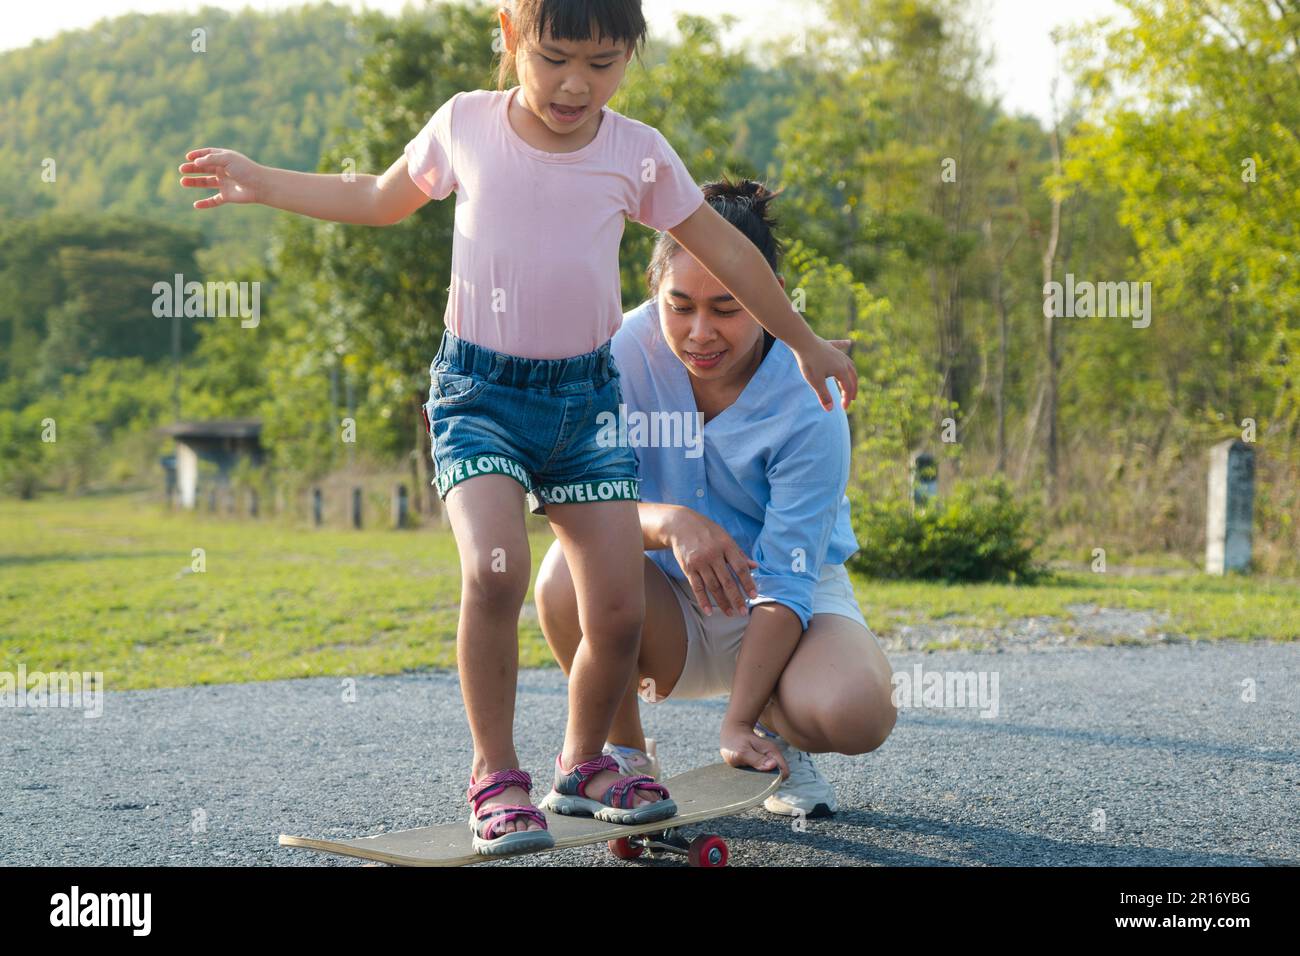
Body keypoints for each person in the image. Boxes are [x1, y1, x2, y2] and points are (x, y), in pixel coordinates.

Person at [177, 2, 858, 855]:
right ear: (510, 37)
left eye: (604, 64)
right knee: (494, 575)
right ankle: (495, 776)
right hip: (480, 397)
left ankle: (588, 763)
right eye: (555, 57)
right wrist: (262, 180)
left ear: (629, 60)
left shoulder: (637, 152)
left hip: (585, 404)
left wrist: (805, 345)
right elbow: (379, 198)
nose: (577, 83)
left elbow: (724, 250)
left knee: (614, 611)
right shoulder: (465, 123)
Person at [536, 178, 896, 818]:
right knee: (568, 569)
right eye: (681, 306)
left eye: (728, 309)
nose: (700, 332)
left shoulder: (810, 395)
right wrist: (668, 522)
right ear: (654, 293)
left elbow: (787, 581)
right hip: (664, 600)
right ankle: (622, 757)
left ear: (770, 299)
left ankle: (775, 736)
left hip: (788, 602)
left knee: (856, 712)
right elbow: (571, 495)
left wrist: (736, 724)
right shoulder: (618, 353)